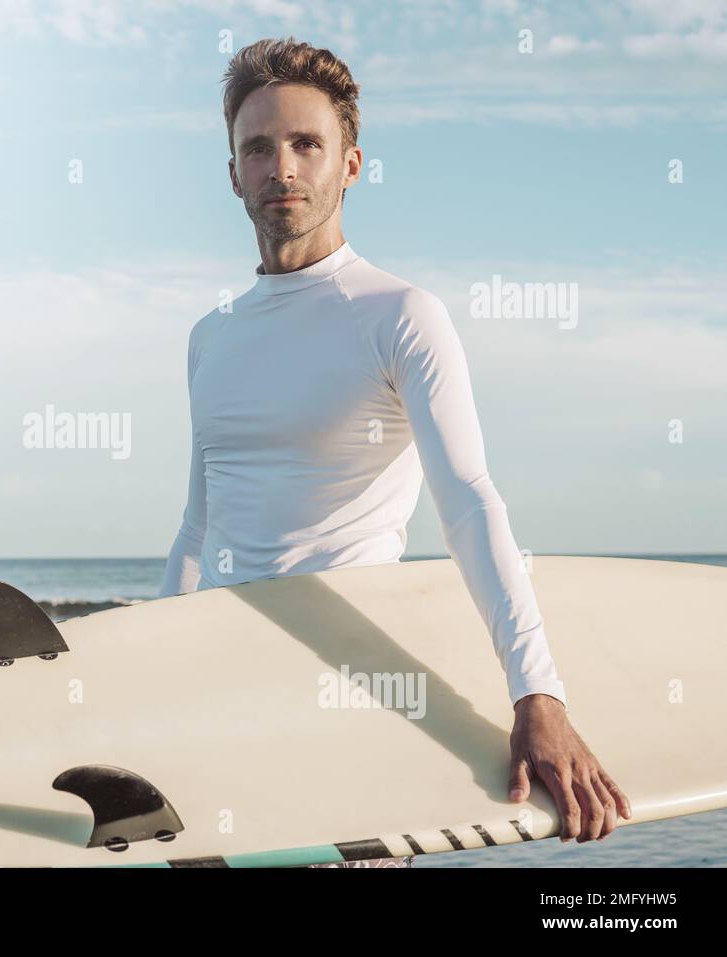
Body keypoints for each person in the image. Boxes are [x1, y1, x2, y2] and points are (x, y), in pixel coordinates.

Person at [160, 37, 632, 867]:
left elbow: (470, 501)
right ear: (233, 173)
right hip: (222, 696)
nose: (283, 167)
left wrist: (537, 693)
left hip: (354, 699)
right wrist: (144, 670)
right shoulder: (211, 338)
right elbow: (199, 526)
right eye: (259, 148)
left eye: (307, 144)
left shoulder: (400, 316)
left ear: (351, 164)